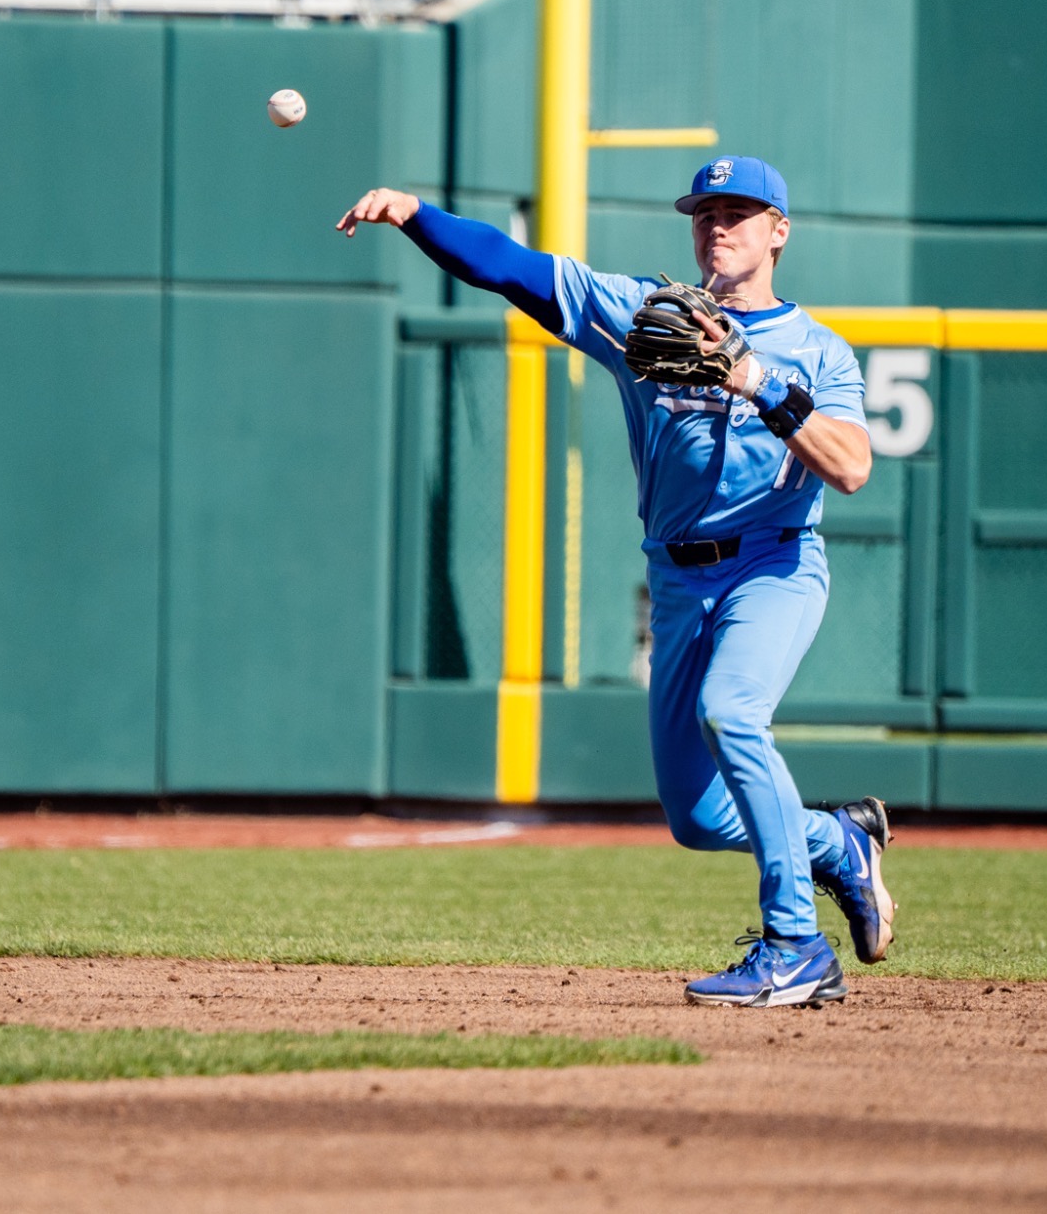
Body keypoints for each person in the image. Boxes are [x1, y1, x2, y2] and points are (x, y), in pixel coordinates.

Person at [338, 156, 897, 1007]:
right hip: (677, 580)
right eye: (706, 212)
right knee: (699, 817)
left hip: (773, 566)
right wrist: (417, 214)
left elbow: (852, 467)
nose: (719, 225)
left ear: (779, 230)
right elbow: (512, 269)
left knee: (732, 712)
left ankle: (795, 944)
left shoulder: (816, 349)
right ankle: (835, 843)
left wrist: (757, 380)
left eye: (740, 212)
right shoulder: (646, 315)